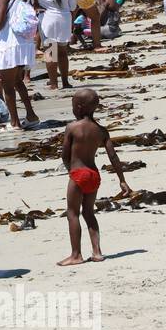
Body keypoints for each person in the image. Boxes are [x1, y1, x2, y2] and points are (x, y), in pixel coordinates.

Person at [59, 89, 133, 266]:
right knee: (89, 213)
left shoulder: (72, 128)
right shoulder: (101, 130)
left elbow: (64, 155)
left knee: (72, 213)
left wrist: (71, 171)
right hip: (94, 175)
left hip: (78, 174)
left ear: (78, 107)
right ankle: (97, 252)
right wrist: (122, 180)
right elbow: (113, 156)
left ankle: (76, 255)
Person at [0, 0, 39, 129]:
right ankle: (31, 115)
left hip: (10, 44)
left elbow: (1, 20)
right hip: (23, 44)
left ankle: (15, 122)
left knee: (8, 87)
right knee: (18, 82)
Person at [26, 0, 77, 89]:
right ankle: (65, 82)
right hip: (65, 19)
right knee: (62, 52)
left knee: (50, 53)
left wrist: (34, 6)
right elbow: (73, 6)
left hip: (47, 19)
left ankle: (54, 83)